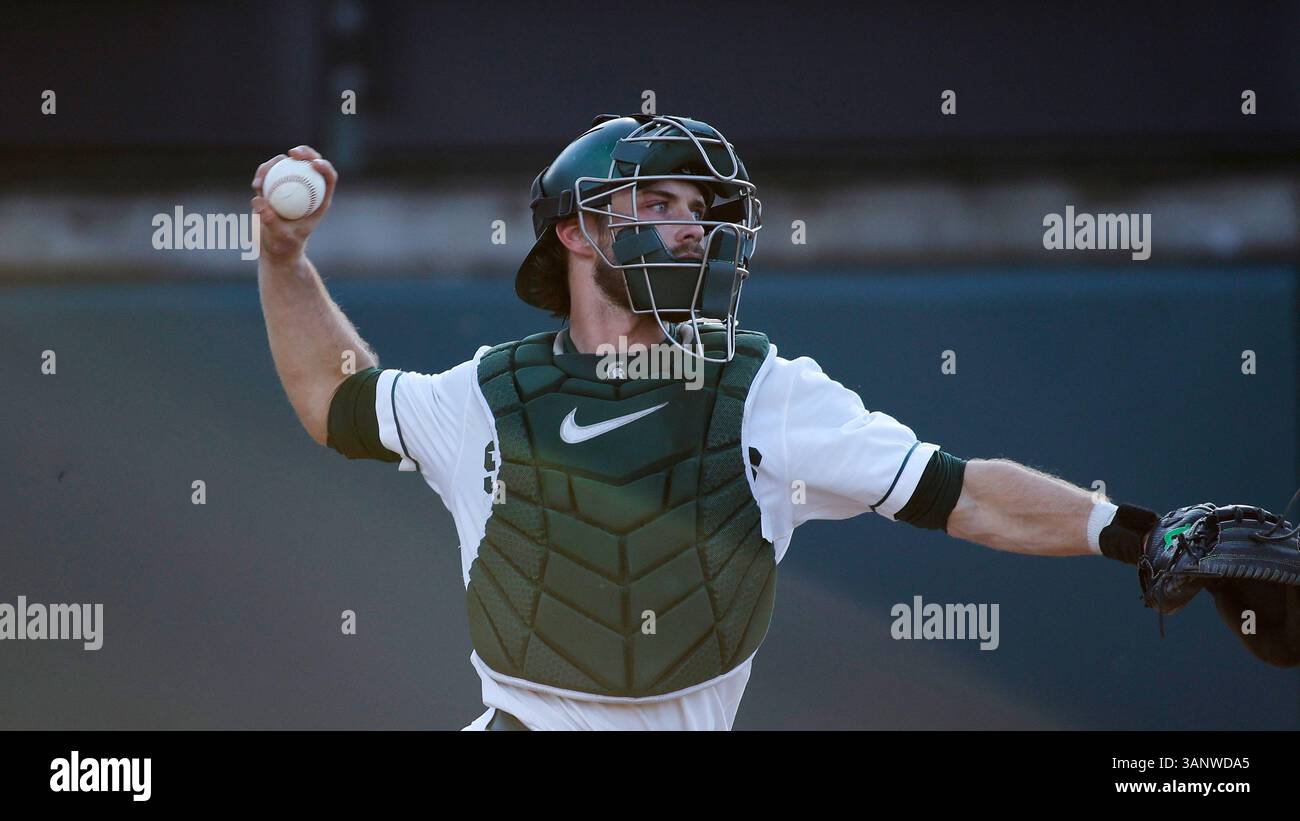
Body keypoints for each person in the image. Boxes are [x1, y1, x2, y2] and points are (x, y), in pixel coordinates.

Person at [250, 114, 1288, 731]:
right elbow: (334, 400)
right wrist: (284, 256)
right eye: (655, 199)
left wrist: (1144, 531)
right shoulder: (484, 391)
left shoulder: (766, 389)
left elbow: (963, 490)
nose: (690, 223)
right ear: (573, 228)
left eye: (701, 207)